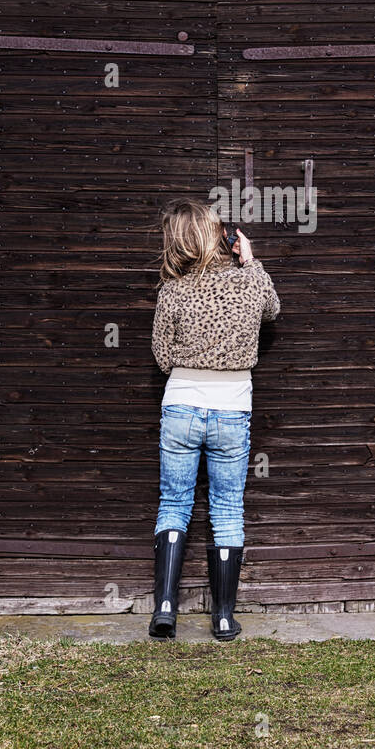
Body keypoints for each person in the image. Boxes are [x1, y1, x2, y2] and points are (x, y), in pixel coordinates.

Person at [149, 198, 280, 640]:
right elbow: (274, 310)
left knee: (174, 503)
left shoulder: (172, 290)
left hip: (181, 407)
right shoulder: (249, 282)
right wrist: (252, 261)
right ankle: (223, 617)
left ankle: (165, 608)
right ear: (220, 236)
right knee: (226, 508)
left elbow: (162, 357)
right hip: (231, 409)